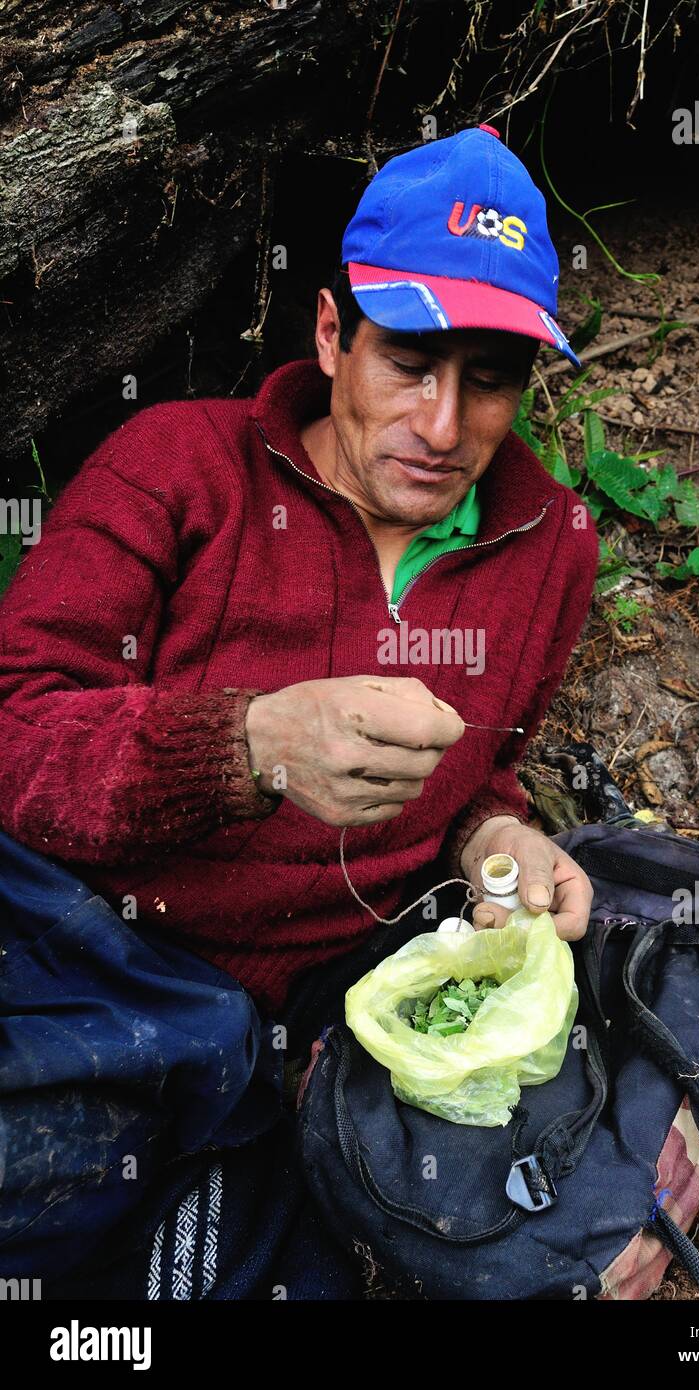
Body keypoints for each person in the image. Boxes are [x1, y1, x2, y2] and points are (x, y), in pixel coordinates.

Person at [0, 125, 601, 1296]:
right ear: (331, 334)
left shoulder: (550, 546)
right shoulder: (175, 467)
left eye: (488, 378)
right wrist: (245, 745)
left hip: (322, 1006)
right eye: (409, 361)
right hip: (92, 950)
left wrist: (497, 841)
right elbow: (18, 732)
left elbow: (482, 773)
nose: (442, 425)